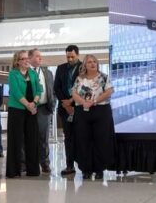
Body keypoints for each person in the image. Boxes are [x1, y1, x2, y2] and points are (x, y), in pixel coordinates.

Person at [71, 54, 115, 181]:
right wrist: (84, 102)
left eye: (94, 61)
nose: (92, 64)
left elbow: (109, 91)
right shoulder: (79, 79)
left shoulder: (104, 77)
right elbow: (74, 93)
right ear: (84, 65)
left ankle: (99, 169)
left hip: (101, 110)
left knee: (100, 140)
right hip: (82, 111)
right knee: (83, 140)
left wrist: (94, 101)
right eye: (89, 62)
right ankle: (86, 169)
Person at [6, 50, 41, 178]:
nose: (27, 60)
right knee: (16, 140)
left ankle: (33, 170)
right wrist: (28, 105)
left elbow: (39, 89)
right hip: (17, 110)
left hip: (32, 110)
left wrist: (34, 103)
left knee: (32, 139)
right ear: (17, 61)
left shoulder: (33, 73)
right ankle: (14, 170)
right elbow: (15, 92)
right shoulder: (13, 74)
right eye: (23, 58)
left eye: (27, 58)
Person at [53, 45, 82, 175]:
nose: (70, 59)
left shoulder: (83, 67)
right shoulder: (61, 68)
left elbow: (84, 88)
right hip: (64, 108)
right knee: (68, 137)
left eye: (72, 56)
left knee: (82, 137)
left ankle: (84, 164)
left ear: (77, 55)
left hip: (80, 108)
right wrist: (65, 103)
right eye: (68, 56)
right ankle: (69, 165)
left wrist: (72, 102)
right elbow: (57, 87)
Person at [29, 49, 55, 174]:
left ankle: (44, 163)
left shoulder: (47, 73)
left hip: (44, 108)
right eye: (37, 56)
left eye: (41, 56)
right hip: (28, 109)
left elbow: (52, 90)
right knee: (28, 137)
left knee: (43, 138)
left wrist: (53, 104)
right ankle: (27, 163)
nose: (40, 58)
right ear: (30, 58)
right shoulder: (25, 72)